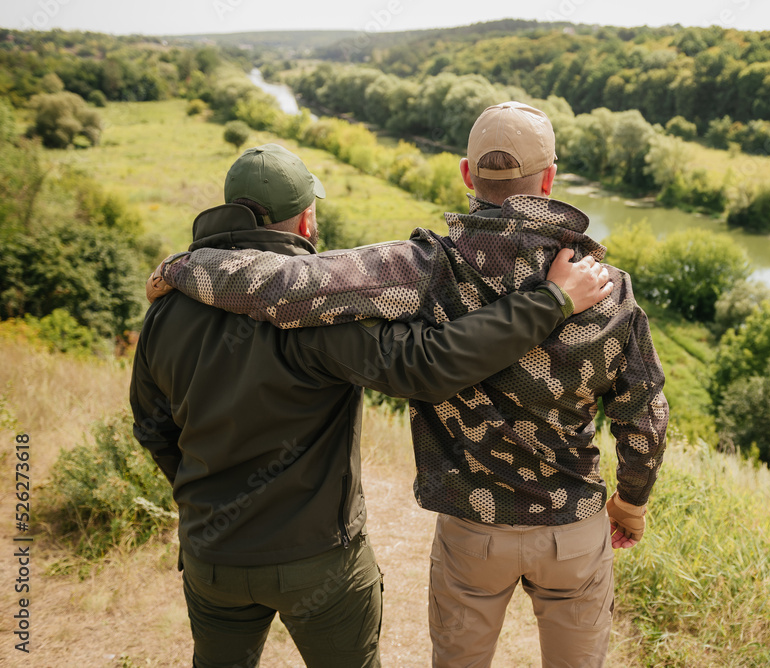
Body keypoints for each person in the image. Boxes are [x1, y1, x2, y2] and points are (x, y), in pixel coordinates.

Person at [148, 103, 669, 667]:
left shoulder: (424, 268)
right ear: (549, 179)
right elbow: (645, 418)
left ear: (468, 175)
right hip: (574, 526)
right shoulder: (607, 286)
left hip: (475, 528)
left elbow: (291, 284)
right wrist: (630, 503)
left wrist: (183, 268)